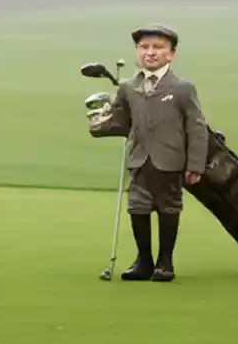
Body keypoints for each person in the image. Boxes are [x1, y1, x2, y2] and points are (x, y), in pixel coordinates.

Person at [89, 24, 209, 282]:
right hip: (139, 159)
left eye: (158, 47)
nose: (150, 53)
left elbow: (197, 128)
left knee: (168, 208)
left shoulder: (182, 88)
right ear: (137, 51)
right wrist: (99, 121)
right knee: (138, 208)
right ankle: (143, 261)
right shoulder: (129, 87)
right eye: (144, 47)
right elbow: (121, 122)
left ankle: (165, 262)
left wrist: (196, 165)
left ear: (171, 54)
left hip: (170, 161)